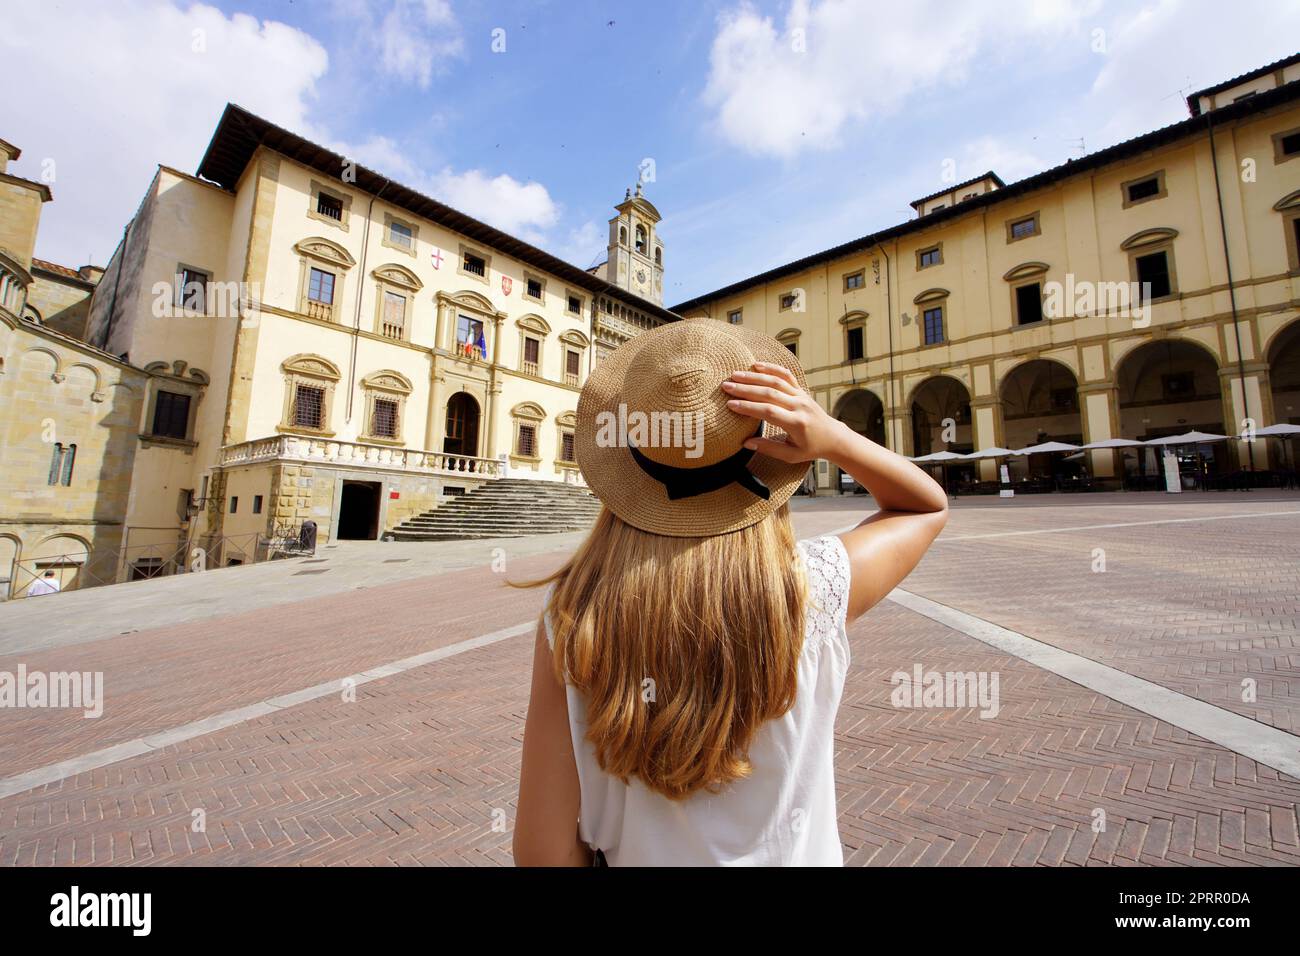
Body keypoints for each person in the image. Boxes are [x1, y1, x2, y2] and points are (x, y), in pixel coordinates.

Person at [514, 320, 948, 866]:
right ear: (769, 453)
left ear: (627, 463)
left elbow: (541, 853)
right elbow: (924, 506)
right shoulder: (812, 587)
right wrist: (833, 438)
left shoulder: (575, 618)